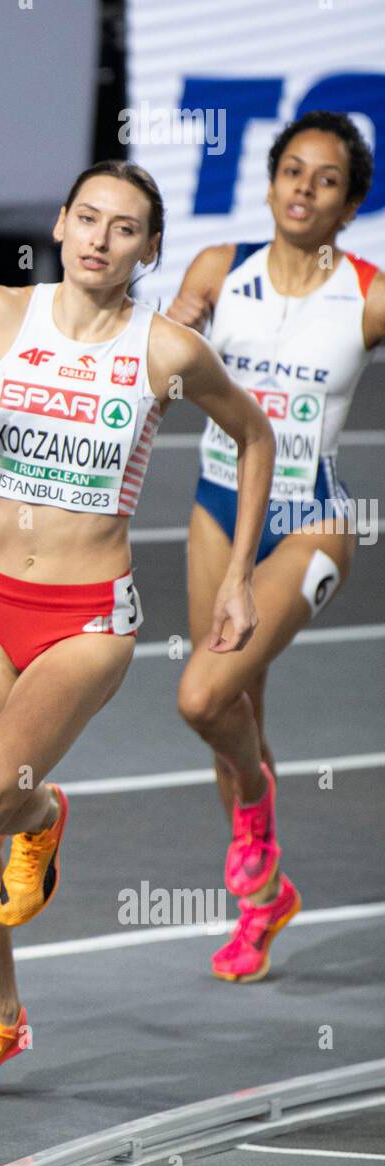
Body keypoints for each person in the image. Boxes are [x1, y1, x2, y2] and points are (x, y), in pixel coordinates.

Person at [0, 159, 275, 1100]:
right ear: (61, 223)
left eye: (123, 228)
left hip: (86, 618)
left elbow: (255, 436)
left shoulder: (166, 352)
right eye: (86, 218)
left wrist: (238, 575)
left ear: (149, 249)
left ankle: (43, 812)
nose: (99, 239)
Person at [167, 112, 384, 983]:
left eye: (325, 179)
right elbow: (171, 354)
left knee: (200, 692)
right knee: (234, 714)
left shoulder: (368, 295)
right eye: (291, 171)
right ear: (268, 182)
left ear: (351, 202)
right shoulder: (220, 271)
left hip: (312, 518)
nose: (303, 188)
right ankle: (262, 905)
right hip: (219, 510)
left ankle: (256, 821)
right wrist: (174, 327)